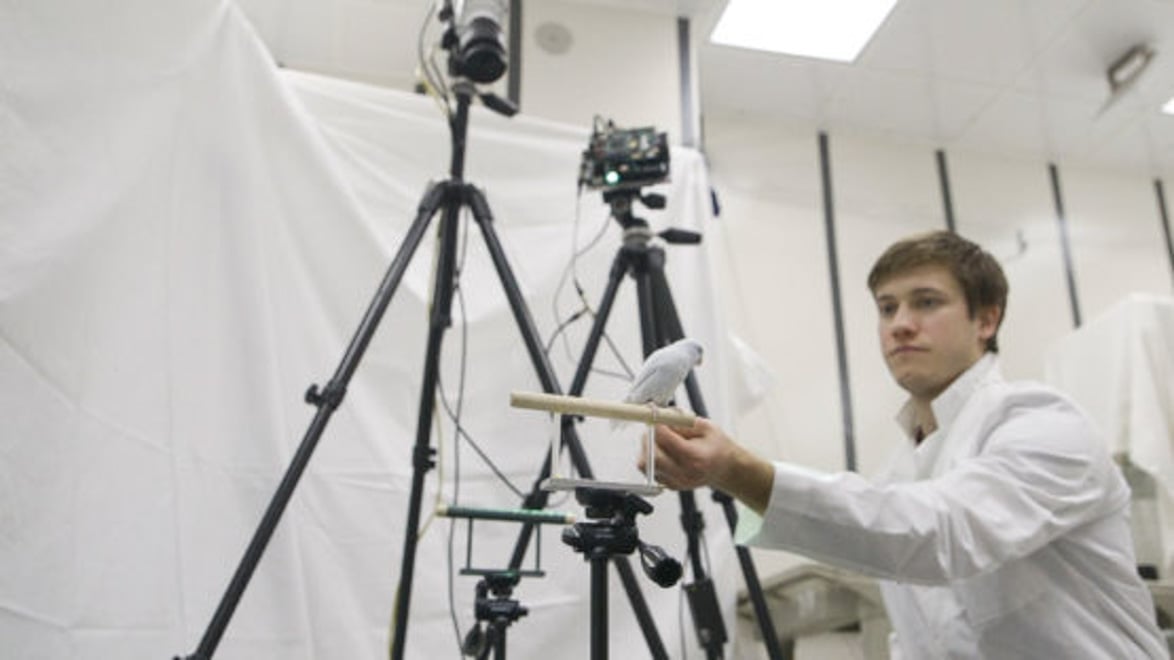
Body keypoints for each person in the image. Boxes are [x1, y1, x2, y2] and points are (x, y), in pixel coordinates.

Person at [644, 230, 1167, 658]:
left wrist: (737, 469)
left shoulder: (1040, 422)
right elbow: (924, 634)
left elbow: (941, 534)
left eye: (926, 303)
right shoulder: (904, 468)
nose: (900, 325)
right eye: (887, 308)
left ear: (987, 319)